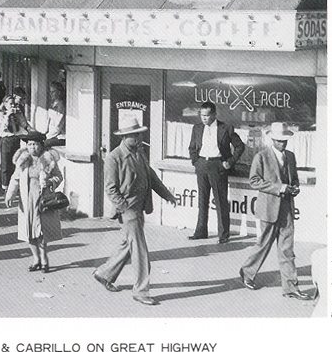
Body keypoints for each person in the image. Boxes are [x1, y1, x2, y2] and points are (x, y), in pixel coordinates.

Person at [93, 116, 177, 306]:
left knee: (128, 245)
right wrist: (124, 208)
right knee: (140, 250)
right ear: (124, 137)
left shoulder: (139, 152)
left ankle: (104, 273)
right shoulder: (114, 158)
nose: (138, 139)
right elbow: (111, 189)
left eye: (139, 135)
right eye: (134, 136)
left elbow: (151, 176)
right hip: (128, 209)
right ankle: (141, 290)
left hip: (140, 207)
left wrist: (167, 195)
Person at [239, 123, 312, 300]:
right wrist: (279, 187)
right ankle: (247, 272)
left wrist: (294, 188)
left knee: (287, 249)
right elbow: (254, 181)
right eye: (279, 141)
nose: (283, 144)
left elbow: (293, 180)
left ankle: (290, 287)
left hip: (286, 209)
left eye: (285, 140)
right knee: (263, 244)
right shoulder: (261, 157)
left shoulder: (291, 157)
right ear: (272, 139)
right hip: (268, 208)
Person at [188, 101, 245, 244]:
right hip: (202, 165)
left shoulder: (226, 128)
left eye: (207, 115)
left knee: (220, 202)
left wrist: (229, 162)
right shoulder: (197, 128)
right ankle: (201, 231)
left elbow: (239, 146)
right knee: (202, 200)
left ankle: (223, 235)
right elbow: (192, 147)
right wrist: (196, 161)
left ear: (214, 114)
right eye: (202, 115)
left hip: (218, 165)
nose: (204, 118)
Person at [5, 132, 62, 273]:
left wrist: (49, 181)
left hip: (43, 199)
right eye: (30, 144)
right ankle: (35, 259)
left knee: (41, 230)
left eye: (35, 144)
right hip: (27, 198)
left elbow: (59, 177)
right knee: (28, 230)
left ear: (41, 145)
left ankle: (44, 259)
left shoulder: (48, 159)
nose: (33, 148)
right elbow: (15, 178)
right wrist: (10, 194)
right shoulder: (23, 160)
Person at [0, 95, 30, 191]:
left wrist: (20, 116)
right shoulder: (0, 114)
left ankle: (13, 187)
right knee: (5, 165)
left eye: (14, 103)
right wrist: (8, 115)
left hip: (15, 139)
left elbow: (24, 125)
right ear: (5, 104)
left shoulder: (17, 113)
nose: (12, 106)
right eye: (10, 104)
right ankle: (4, 187)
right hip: (6, 140)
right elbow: (2, 128)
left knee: (15, 164)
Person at [44, 81, 66, 148]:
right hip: (52, 135)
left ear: (59, 92)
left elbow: (58, 127)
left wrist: (47, 137)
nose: (51, 94)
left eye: (53, 92)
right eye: (50, 92)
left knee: (42, 144)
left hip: (60, 137)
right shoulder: (53, 105)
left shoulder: (61, 106)